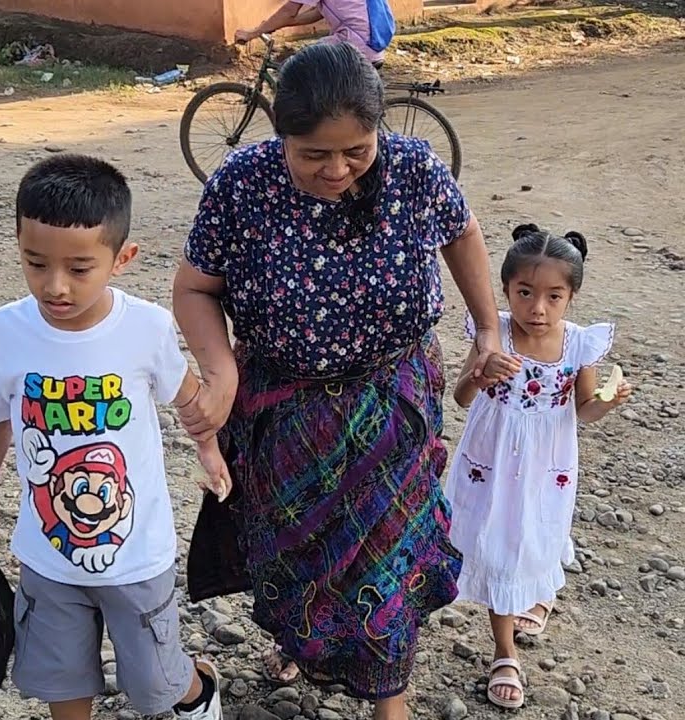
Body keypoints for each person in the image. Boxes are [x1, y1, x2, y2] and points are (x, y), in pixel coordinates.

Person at [172, 43, 517, 720]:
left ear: (378, 131)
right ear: (282, 139)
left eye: (356, 151)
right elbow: (194, 288)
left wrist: (487, 327)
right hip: (286, 411)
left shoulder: (414, 170)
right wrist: (218, 369)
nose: (337, 170)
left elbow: (463, 232)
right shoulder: (243, 183)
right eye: (314, 155)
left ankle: (390, 698)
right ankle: (310, 642)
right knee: (298, 552)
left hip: (391, 401)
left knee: (387, 553)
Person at [0, 155, 231, 720]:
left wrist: (209, 451)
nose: (54, 286)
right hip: (47, 555)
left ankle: (197, 687)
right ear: (17, 244)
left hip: (137, 555)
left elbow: (187, 395)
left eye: (79, 268)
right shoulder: (5, 331)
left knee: (155, 683)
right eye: (36, 263)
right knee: (62, 681)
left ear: (122, 259)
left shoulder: (147, 327)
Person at [446, 224, 632, 709]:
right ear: (506, 290)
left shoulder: (577, 345)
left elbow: (583, 408)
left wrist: (608, 403)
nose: (538, 308)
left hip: (546, 463)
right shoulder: (497, 331)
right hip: (490, 456)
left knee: (533, 535)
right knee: (491, 537)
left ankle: (525, 609)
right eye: (525, 293)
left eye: (554, 295)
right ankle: (504, 646)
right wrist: (481, 374)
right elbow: (461, 397)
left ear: (572, 296)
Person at [234, 0, 395, 69]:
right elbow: (317, 13)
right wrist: (273, 25)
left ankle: (313, 128)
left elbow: (288, 11)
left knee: (298, 66)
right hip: (371, 47)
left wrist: (253, 33)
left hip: (355, 45)